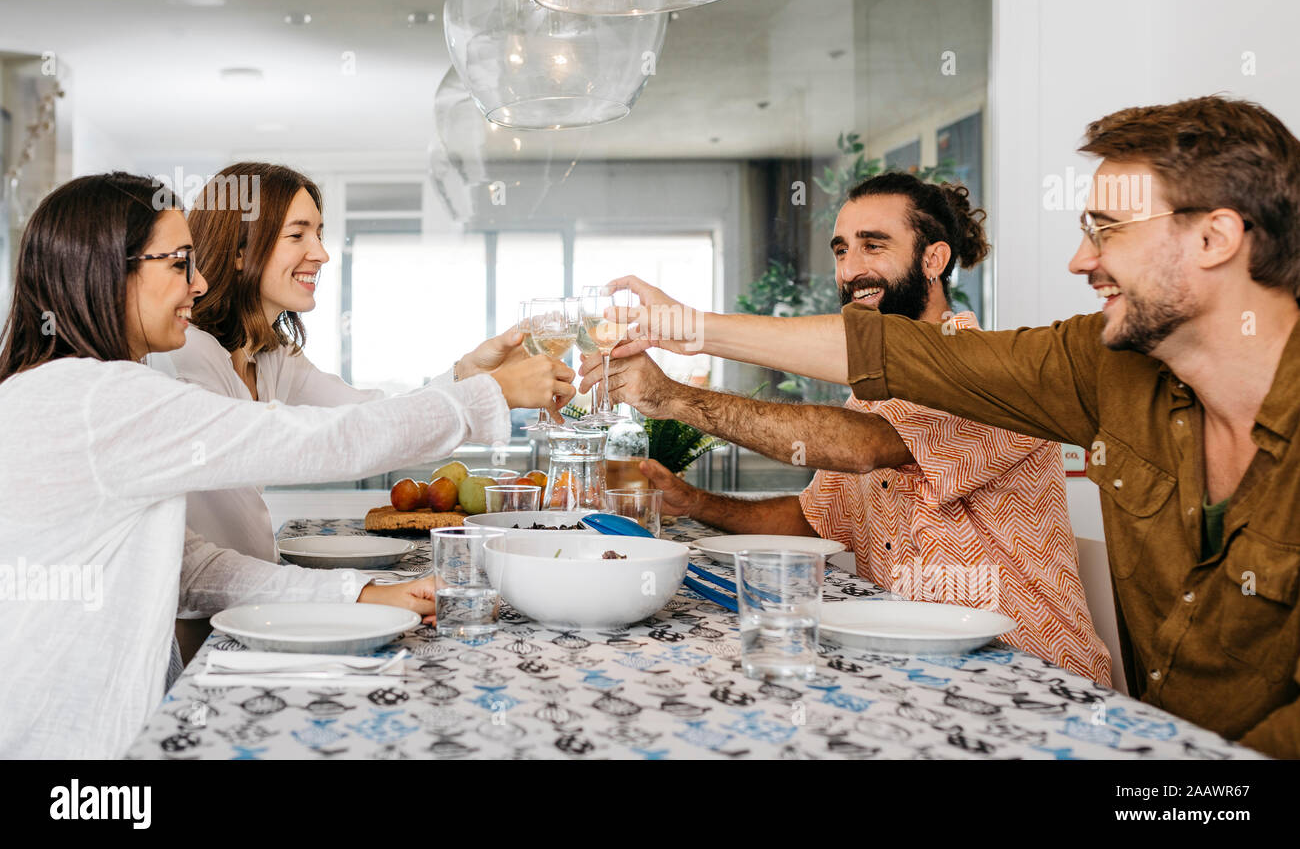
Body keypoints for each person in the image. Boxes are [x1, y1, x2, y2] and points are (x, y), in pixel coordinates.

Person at [602, 95, 1300, 758]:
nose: (1081, 260)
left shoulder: (1038, 377)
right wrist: (684, 341)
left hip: (1036, 693)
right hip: (1042, 715)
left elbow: (871, 446)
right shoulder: (1104, 368)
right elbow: (874, 368)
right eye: (841, 249)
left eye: (1107, 230)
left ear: (1215, 237)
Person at [0, 172, 574, 759]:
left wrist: (366, 593)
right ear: (106, 270)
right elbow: (322, 442)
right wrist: (491, 395)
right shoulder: (105, 401)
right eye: (178, 264)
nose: (197, 284)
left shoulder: (74, 392)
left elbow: (192, 571)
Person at [581, 173, 1110, 684]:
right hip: (905, 655)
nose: (850, 269)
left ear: (935, 258)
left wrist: (672, 397)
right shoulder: (871, 390)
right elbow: (815, 521)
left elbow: (864, 447)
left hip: (1021, 667)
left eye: (873, 246)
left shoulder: (991, 372)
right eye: (840, 250)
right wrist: (694, 502)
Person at [157, 163, 529, 659]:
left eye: (320, 233)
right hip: (200, 618)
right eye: (298, 234)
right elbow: (337, 439)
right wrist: (491, 394)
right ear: (241, 251)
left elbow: (368, 415)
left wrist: (468, 373)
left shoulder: (271, 355)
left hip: (261, 600)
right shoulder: (186, 357)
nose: (322, 253)